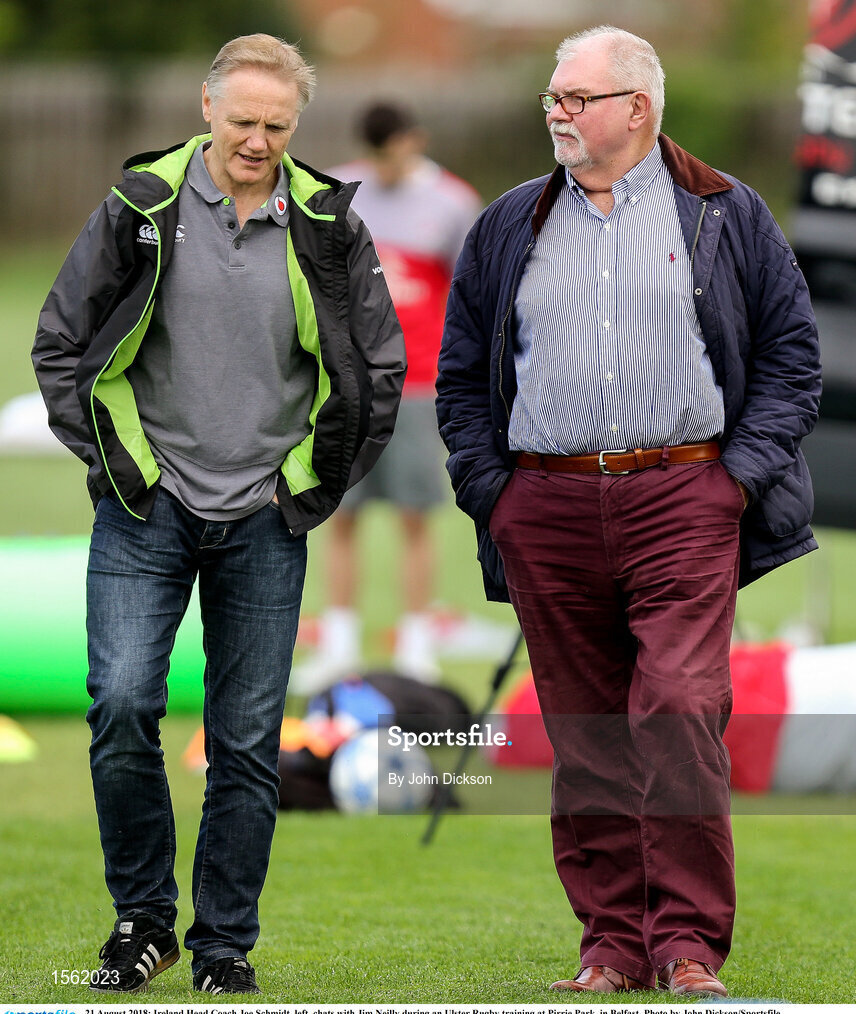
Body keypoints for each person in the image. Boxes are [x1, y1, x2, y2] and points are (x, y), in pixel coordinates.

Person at [436, 25, 821, 999]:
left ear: (637, 109)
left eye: (576, 97)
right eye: (552, 99)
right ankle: (609, 945)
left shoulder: (725, 213)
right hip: (545, 508)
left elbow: (790, 357)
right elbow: (458, 374)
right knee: (588, 734)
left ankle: (685, 945)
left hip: (685, 499)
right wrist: (496, 492)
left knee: (680, 709)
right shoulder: (508, 224)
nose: (556, 112)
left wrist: (733, 479)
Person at [32, 34, 405, 996]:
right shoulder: (139, 208)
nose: (258, 140)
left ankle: (224, 942)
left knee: (245, 741)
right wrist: (129, 472)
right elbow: (61, 343)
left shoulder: (327, 222)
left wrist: (305, 486)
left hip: (265, 521)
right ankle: (140, 923)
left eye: (277, 125)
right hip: (142, 509)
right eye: (243, 121)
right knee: (120, 708)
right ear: (206, 108)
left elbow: (377, 370)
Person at [294, 102, 480, 689]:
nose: (387, 166)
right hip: (349, 384)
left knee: (415, 517)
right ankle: (339, 646)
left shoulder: (454, 203)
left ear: (415, 140)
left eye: (394, 151)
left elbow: (473, 295)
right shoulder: (342, 193)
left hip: (421, 384)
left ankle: (416, 647)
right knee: (338, 516)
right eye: (378, 155)